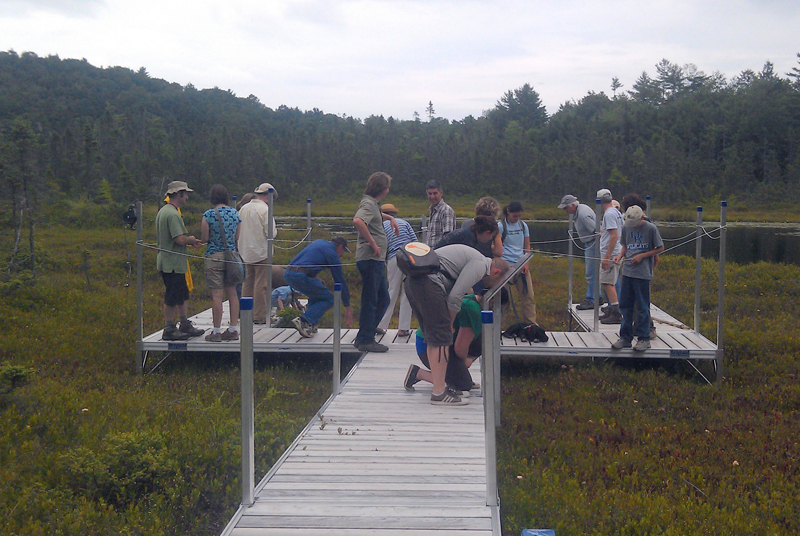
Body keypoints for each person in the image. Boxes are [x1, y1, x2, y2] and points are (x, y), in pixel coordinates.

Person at [405, 244, 509, 405]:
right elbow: (455, 297)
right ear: (496, 272)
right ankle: (439, 393)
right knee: (440, 338)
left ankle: (439, 388)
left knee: (434, 337)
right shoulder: (480, 264)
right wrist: (449, 323)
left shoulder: (474, 257)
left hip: (414, 282)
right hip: (429, 284)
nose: (490, 287)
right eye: (495, 283)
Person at [352, 172, 398, 352]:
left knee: (383, 299)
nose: (388, 190)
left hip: (375, 260)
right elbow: (358, 220)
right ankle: (365, 340)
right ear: (382, 188)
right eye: (387, 187)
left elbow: (375, 213)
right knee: (372, 300)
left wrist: (391, 218)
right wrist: (373, 243)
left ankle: (365, 334)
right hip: (371, 258)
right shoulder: (369, 204)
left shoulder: (372, 204)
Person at [156, 181, 205, 341]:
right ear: (178, 194)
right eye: (186, 194)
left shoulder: (164, 211)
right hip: (172, 264)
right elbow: (179, 239)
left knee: (182, 293)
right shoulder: (172, 214)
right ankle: (169, 328)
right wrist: (190, 239)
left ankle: (184, 324)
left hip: (173, 263)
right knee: (172, 295)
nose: (187, 197)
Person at [405, 295, 483, 395]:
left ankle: (456, 375)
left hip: (442, 342)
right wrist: (466, 361)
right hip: (429, 346)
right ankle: (418, 373)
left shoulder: (471, 298)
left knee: (482, 340)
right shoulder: (472, 309)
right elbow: (460, 348)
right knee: (463, 385)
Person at [611, 206, 664, 352]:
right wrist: (619, 256)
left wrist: (643, 255)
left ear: (641, 218)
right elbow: (625, 246)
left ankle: (644, 339)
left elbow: (660, 248)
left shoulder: (651, 228)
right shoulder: (626, 227)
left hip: (643, 274)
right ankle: (625, 338)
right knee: (625, 306)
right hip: (627, 272)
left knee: (642, 307)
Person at [284, 237, 354, 337]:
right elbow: (340, 280)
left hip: (289, 273)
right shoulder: (332, 254)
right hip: (299, 276)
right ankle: (304, 320)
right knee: (329, 299)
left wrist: (316, 278)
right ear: (340, 247)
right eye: (343, 251)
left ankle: (310, 324)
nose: (342, 255)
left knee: (317, 295)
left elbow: (308, 261)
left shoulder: (319, 242)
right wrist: (347, 305)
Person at [200, 184, 242, 342]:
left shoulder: (208, 215)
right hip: (231, 257)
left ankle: (216, 332)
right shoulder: (235, 214)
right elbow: (237, 237)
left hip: (214, 256)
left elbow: (204, 238)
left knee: (217, 295)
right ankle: (232, 329)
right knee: (232, 293)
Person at [238, 183, 278, 324]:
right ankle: (260, 316)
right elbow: (271, 233)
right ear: (268, 196)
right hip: (261, 252)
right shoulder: (265, 209)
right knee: (261, 285)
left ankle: (245, 314)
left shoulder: (243, 208)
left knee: (247, 283)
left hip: (245, 251)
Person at [376, 203, 417, 338]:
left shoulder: (381, 226)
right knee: (407, 293)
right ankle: (403, 328)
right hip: (409, 258)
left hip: (394, 258)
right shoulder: (405, 223)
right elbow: (415, 242)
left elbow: (382, 245)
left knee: (391, 291)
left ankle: (381, 325)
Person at [498, 201, 537, 325]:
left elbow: (527, 245)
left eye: (519, 216)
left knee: (528, 296)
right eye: (515, 216)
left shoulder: (523, 225)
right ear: (508, 212)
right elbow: (496, 247)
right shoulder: (500, 226)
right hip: (505, 267)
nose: (517, 218)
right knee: (503, 299)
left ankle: (531, 324)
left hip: (521, 265)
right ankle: (499, 326)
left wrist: (526, 263)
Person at [558, 194, 598, 310]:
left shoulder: (582, 215)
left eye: (566, 208)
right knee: (592, 273)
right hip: (590, 243)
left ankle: (591, 299)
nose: (565, 211)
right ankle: (597, 296)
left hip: (593, 244)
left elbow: (596, 231)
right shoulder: (580, 210)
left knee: (591, 273)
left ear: (573, 205)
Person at [596, 189, 624, 325]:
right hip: (614, 252)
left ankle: (616, 313)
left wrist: (607, 256)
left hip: (611, 253)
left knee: (608, 283)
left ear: (600, 201)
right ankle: (613, 309)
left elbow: (614, 236)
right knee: (607, 282)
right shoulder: (617, 213)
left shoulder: (609, 214)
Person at [434, 215, 498, 258]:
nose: (490, 239)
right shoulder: (469, 239)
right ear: (487, 233)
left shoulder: (469, 233)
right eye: (491, 236)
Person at [424, 179, 456, 247]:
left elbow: (448, 238)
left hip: (440, 254)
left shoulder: (446, 210)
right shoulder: (432, 211)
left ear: (441, 193)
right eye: (430, 194)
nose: (432, 197)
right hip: (431, 254)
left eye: (435, 193)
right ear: (426, 193)